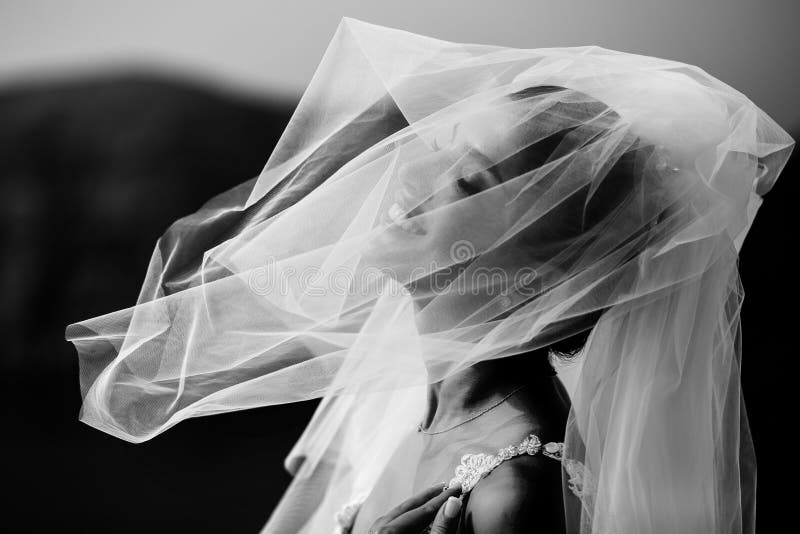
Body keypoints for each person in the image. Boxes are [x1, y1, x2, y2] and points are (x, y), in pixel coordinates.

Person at [65, 18, 794, 534]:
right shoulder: (411, 411)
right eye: (441, 155)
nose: (414, 183)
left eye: (471, 182)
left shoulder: (511, 491)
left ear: (524, 265)